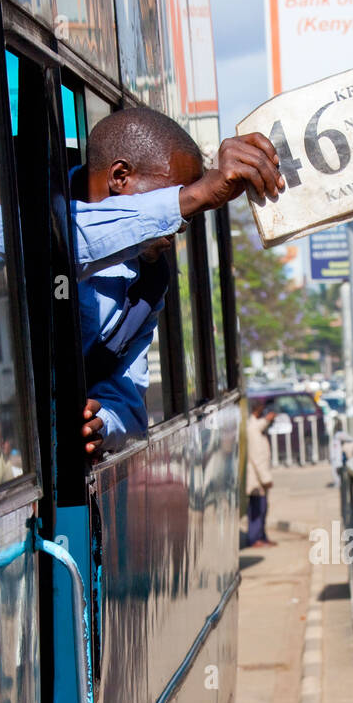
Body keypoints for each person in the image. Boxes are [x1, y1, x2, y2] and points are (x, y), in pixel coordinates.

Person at [71, 109, 284, 456]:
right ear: (120, 176)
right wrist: (193, 197)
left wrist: (102, 423)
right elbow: (56, 245)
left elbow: (126, 402)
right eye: (174, 198)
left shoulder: (148, 280)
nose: (181, 224)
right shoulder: (26, 210)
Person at [245, 399, 277, 547]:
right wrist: (266, 478)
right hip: (257, 480)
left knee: (262, 508)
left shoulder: (256, 427)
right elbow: (258, 458)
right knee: (258, 509)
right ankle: (255, 538)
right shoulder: (253, 429)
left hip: (259, 479)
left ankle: (261, 536)